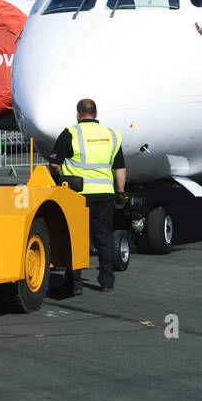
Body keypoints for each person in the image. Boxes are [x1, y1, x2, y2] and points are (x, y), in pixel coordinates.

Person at [48, 98, 126, 294]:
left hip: (78, 195)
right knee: (104, 237)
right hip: (105, 195)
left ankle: (74, 283)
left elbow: (55, 164)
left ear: (78, 114)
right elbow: (120, 167)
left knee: (76, 238)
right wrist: (121, 192)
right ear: (96, 114)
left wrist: (59, 179)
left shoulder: (71, 133)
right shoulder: (111, 135)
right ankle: (107, 281)